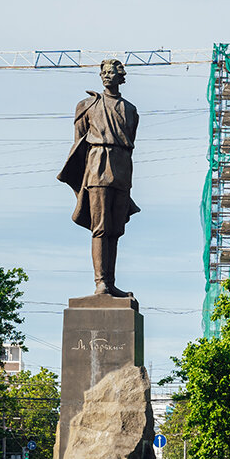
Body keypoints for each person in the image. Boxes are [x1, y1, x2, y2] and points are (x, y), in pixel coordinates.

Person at [57, 59, 140, 297]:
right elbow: (78, 144)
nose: (106, 76)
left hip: (123, 168)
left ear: (120, 76)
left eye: (111, 72)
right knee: (101, 227)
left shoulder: (131, 110)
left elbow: (130, 142)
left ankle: (110, 283)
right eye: (103, 72)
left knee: (115, 229)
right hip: (97, 167)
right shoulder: (87, 105)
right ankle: (100, 282)